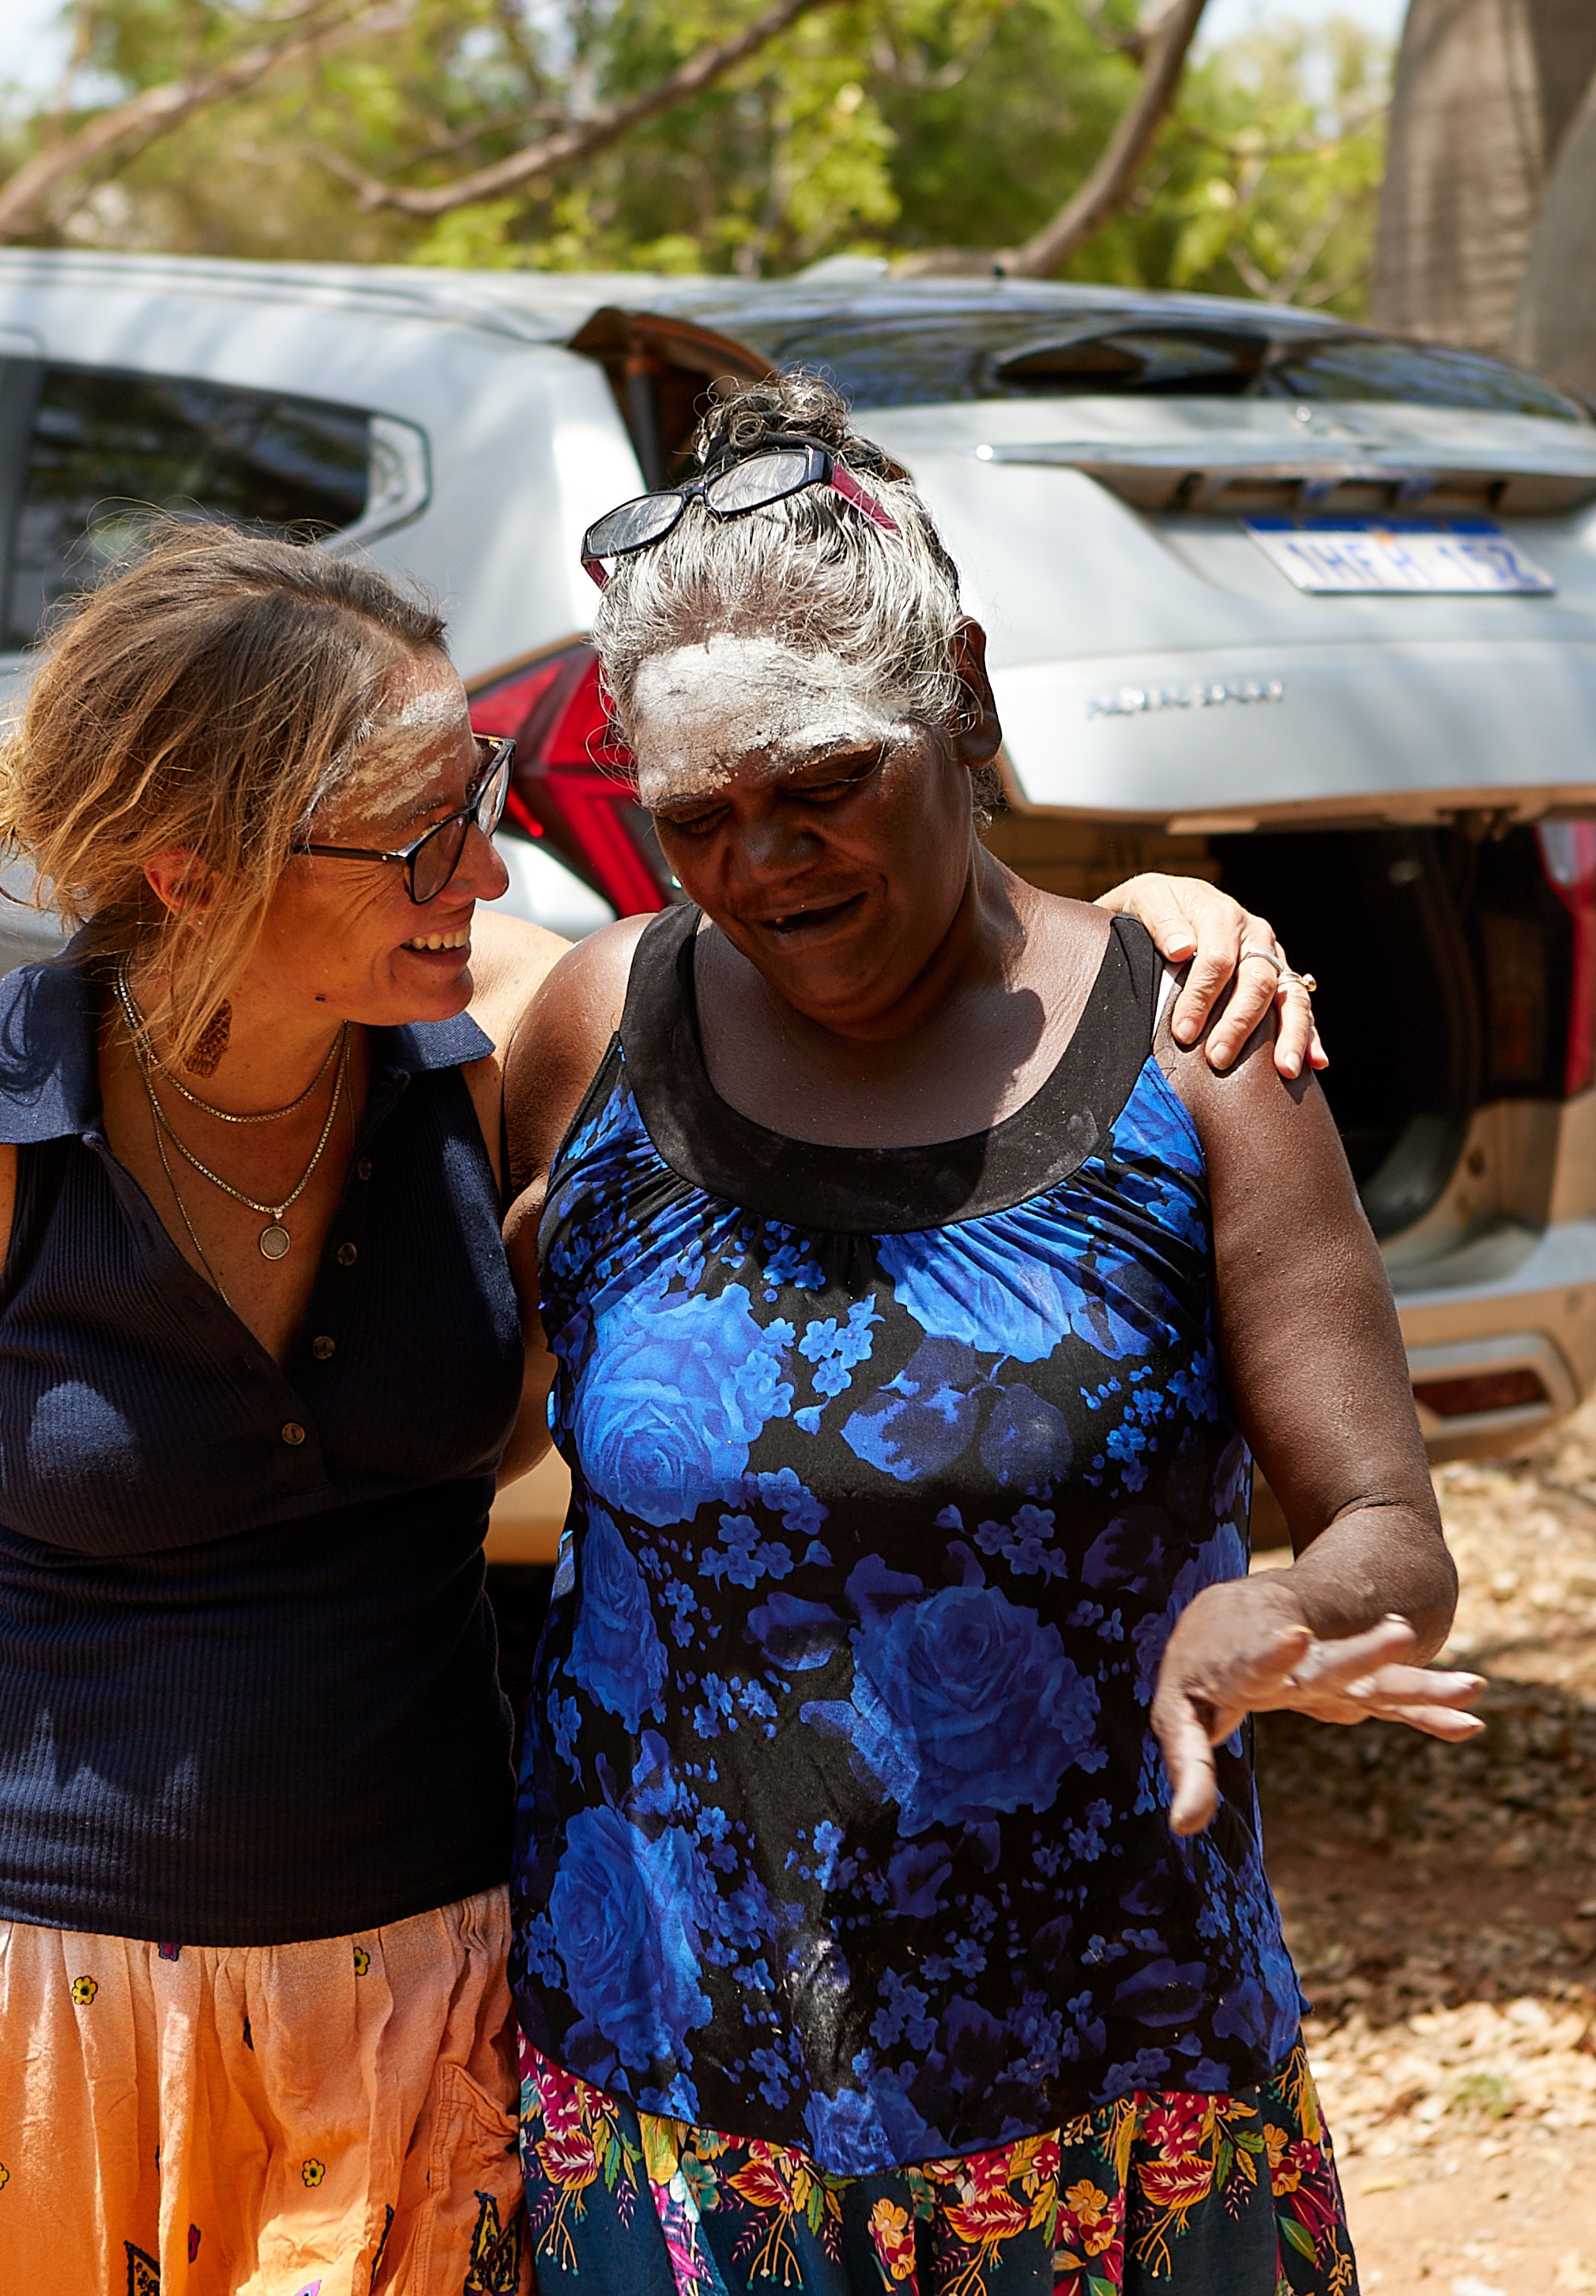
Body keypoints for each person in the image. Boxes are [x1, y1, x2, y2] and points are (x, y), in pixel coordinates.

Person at [0, 524, 1320, 2293]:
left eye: (480, 793)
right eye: (421, 838)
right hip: (47, 1986)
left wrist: (1171, 921)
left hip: (444, 1970)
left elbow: (875, 943)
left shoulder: (509, 1038)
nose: (486, 867)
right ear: (190, 873)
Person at [489, 373, 1484, 2295]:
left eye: (822, 786)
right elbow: (443, 1437)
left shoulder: (1192, 1062)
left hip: (1101, 2087)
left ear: (956, 691)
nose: (763, 863)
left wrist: (1264, 1618)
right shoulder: (597, 1030)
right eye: (697, 817)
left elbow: (1387, 1531)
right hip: (670, 2102)